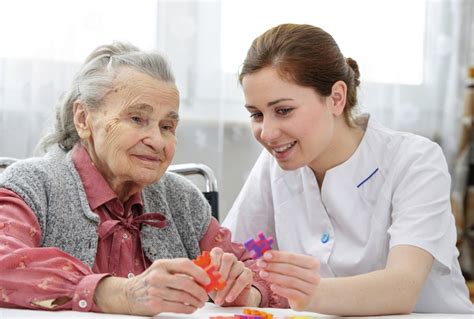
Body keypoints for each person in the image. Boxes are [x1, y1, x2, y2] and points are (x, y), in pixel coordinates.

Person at [0, 42, 287, 316]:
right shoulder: (32, 185)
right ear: (83, 119)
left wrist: (246, 290)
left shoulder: (183, 201)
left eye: (167, 126)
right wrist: (121, 293)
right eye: (137, 119)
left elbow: (264, 273)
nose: (157, 141)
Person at [223, 23, 474, 315]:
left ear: (337, 98)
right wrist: (235, 284)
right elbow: (236, 254)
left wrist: (310, 293)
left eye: (283, 110)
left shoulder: (415, 160)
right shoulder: (274, 165)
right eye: (256, 114)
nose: (266, 133)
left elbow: (402, 287)